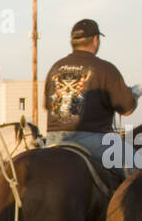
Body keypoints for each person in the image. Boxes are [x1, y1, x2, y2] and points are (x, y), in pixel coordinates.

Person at [44, 19, 136, 168]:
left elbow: (48, 106)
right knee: (137, 168)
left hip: (53, 140)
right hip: (93, 140)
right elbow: (126, 109)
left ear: (72, 41)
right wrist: (135, 94)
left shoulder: (55, 67)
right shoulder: (105, 68)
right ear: (95, 40)